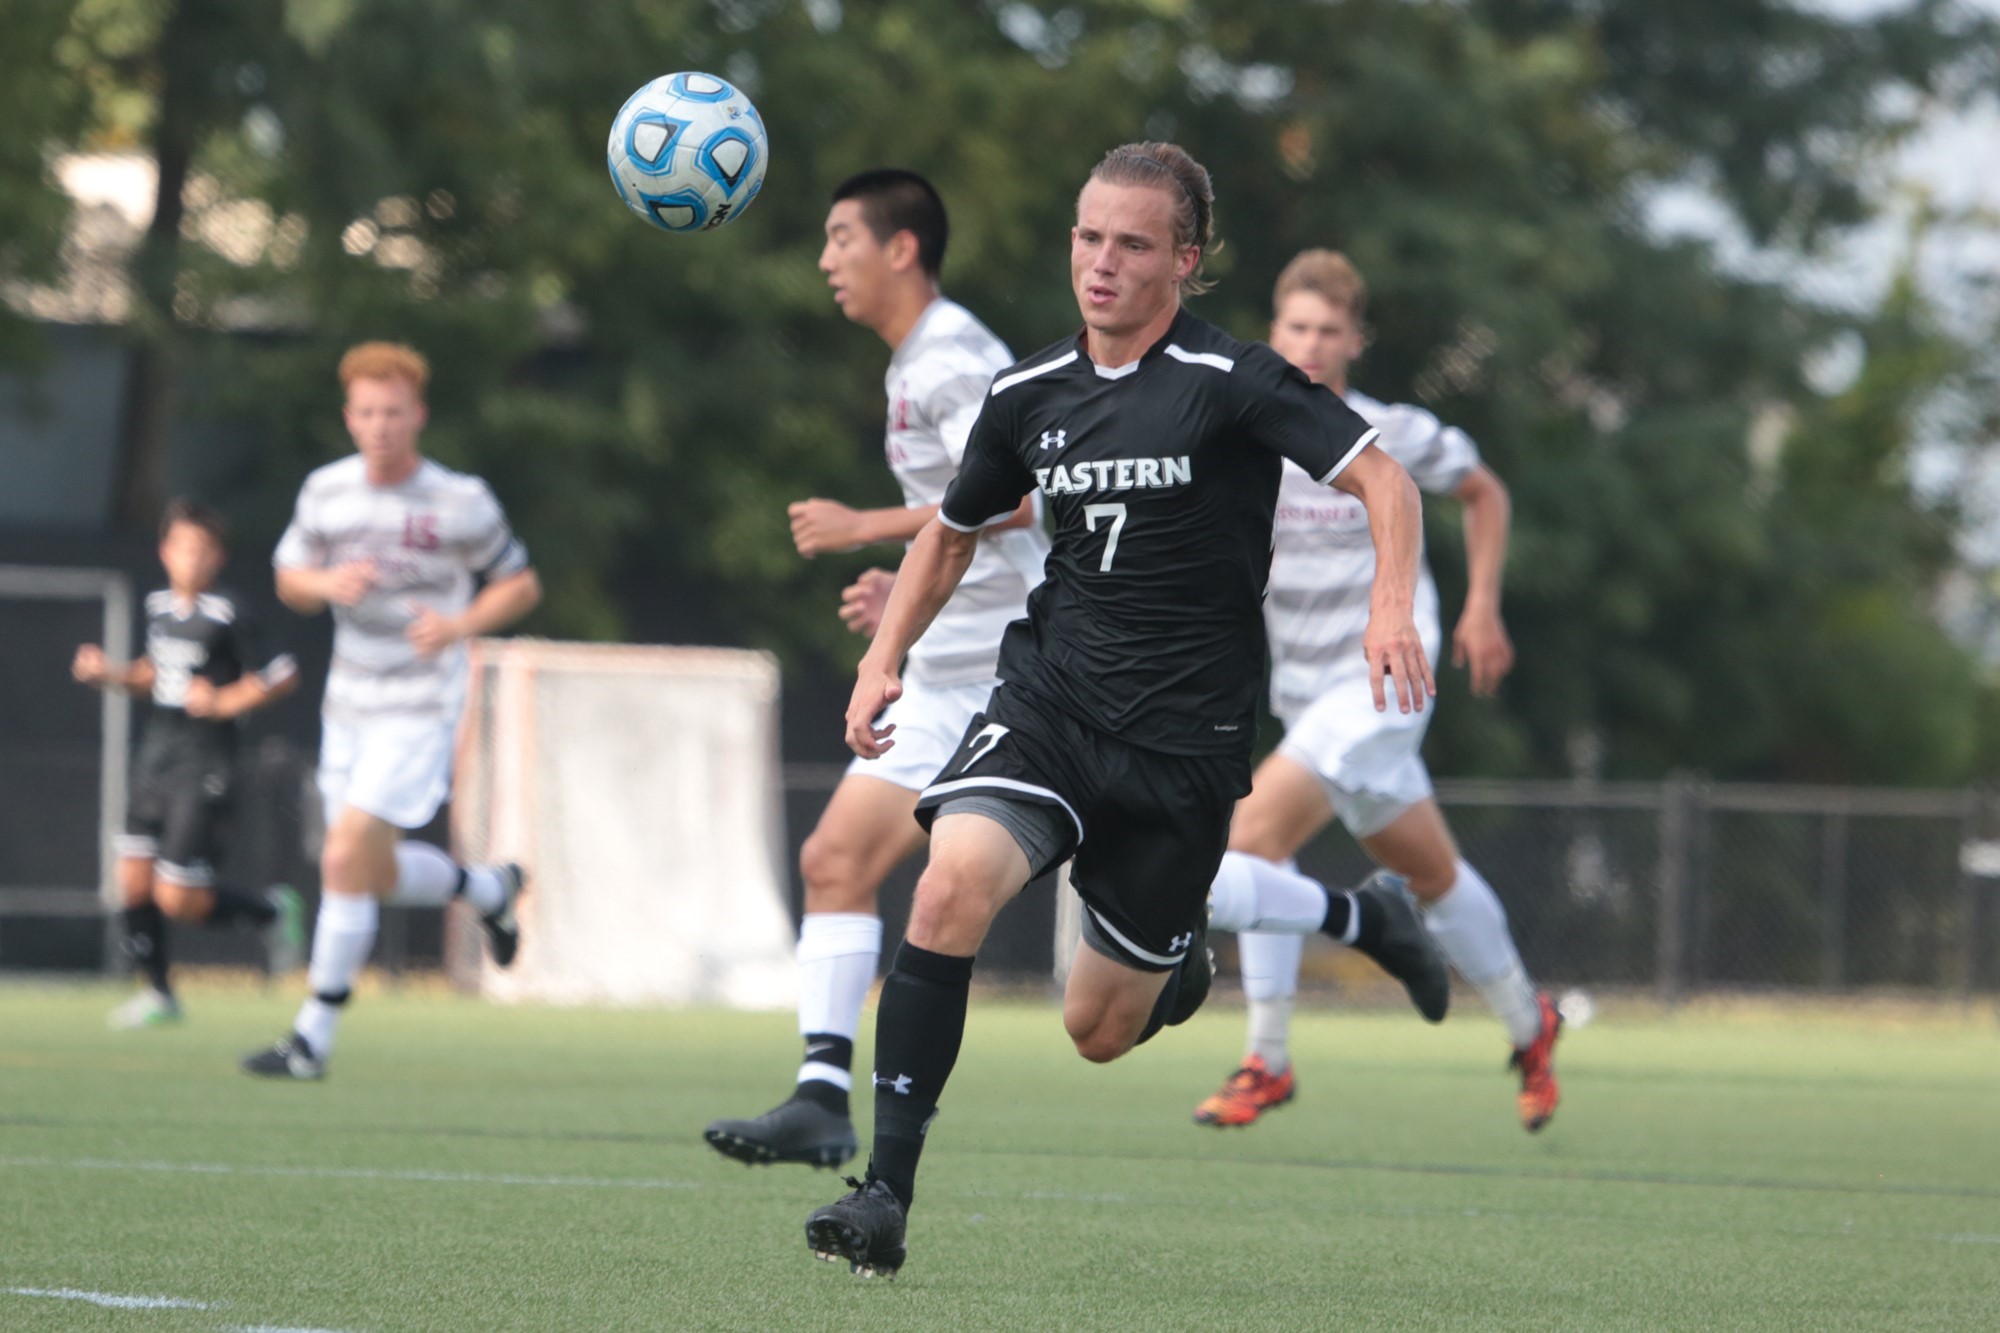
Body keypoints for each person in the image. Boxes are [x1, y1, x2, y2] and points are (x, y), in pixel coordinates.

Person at [803, 142, 1445, 1278]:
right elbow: (951, 532)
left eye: (1133, 244)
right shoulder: (1026, 391)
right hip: (1049, 704)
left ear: (1184, 260)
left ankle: (1195, 947)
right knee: (948, 884)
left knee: (1096, 1030)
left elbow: (1383, 480)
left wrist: (1389, 606)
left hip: (1183, 745)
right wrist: (881, 659)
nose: (1101, 262)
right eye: (1089, 237)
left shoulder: (1233, 378)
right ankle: (884, 1192)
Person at [705, 169, 1047, 1169]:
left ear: (901, 249)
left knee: (1099, 928)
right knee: (834, 860)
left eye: (841, 238)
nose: (826, 261)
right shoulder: (913, 361)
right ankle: (820, 1096)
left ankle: (1314, 913)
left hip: (1014, 674)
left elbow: (1017, 496)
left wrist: (864, 525)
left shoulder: (951, 355)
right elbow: (963, 522)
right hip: (947, 665)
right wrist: (906, 590)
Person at [1192, 250, 1561, 1135]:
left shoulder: (1389, 429)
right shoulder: (1244, 433)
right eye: (1297, 327)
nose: (1311, 344)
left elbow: (1483, 492)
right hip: (1306, 696)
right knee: (1432, 873)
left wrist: (1481, 604)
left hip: (1387, 682)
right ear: (1272, 333)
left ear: (1356, 340)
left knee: (1251, 837)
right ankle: (1530, 1024)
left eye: (1329, 330)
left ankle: (1267, 1058)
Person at [241, 341, 541, 1080]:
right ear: (350, 418)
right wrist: (325, 583)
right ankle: (490, 888)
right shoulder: (326, 491)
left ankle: (311, 1039)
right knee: (365, 871)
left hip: (421, 699)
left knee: (343, 856)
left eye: (393, 413)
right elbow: (288, 577)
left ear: (418, 416)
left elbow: (520, 584)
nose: (380, 426)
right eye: (368, 412)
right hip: (349, 700)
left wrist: (459, 624)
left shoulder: (459, 499)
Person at [74, 499, 305, 1028]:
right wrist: (109, 673)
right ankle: (159, 993)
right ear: (165, 551)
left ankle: (270, 911)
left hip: (206, 765)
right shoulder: (159, 606)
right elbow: (154, 675)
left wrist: (225, 701)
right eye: (182, 547)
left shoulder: (228, 611)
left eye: (202, 550)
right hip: (156, 757)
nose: (191, 558)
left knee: (177, 899)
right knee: (133, 882)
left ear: (218, 556)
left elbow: (282, 673)